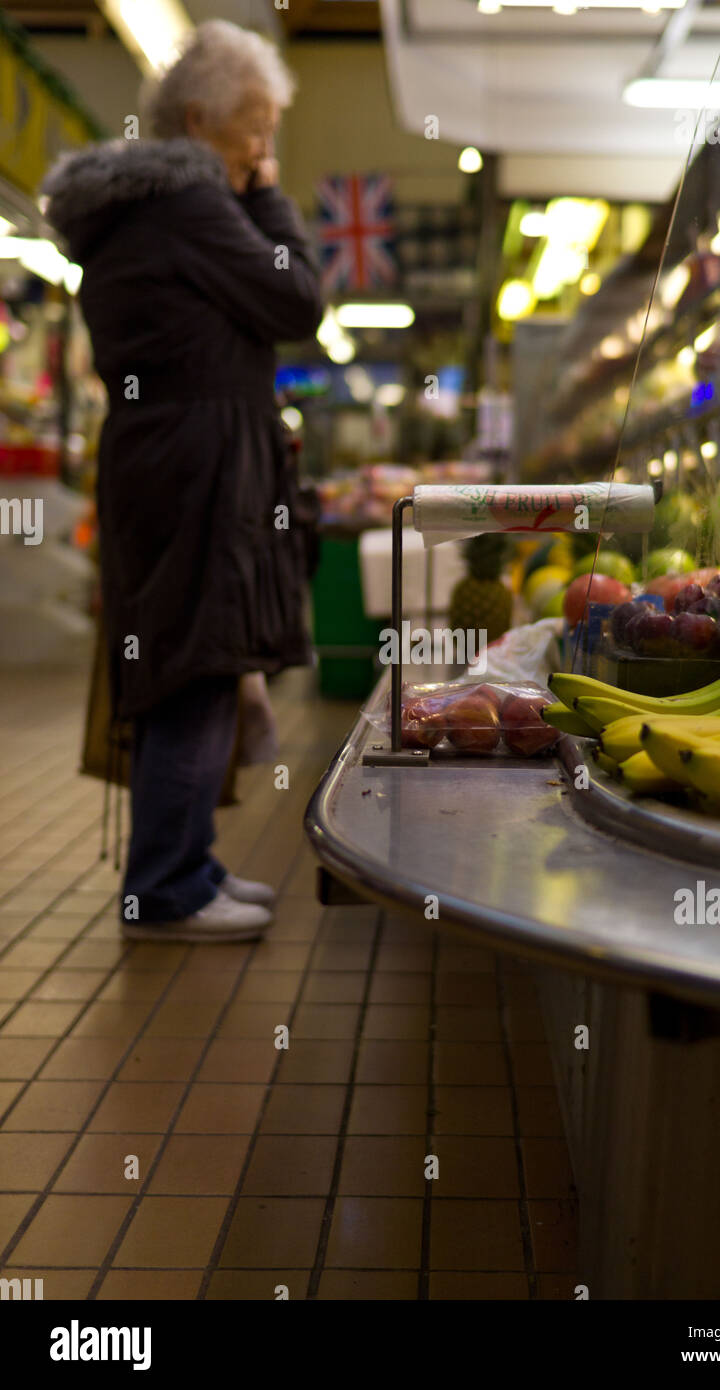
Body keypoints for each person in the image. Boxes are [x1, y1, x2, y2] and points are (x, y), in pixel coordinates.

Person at [43, 20, 322, 943]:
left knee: (188, 659)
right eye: (255, 127)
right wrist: (273, 198)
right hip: (199, 462)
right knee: (199, 664)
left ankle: (187, 863)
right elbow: (296, 300)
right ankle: (164, 889)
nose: (263, 148)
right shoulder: (192, 206)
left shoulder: (141, 210)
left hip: (163, 454)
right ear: (199, 122)